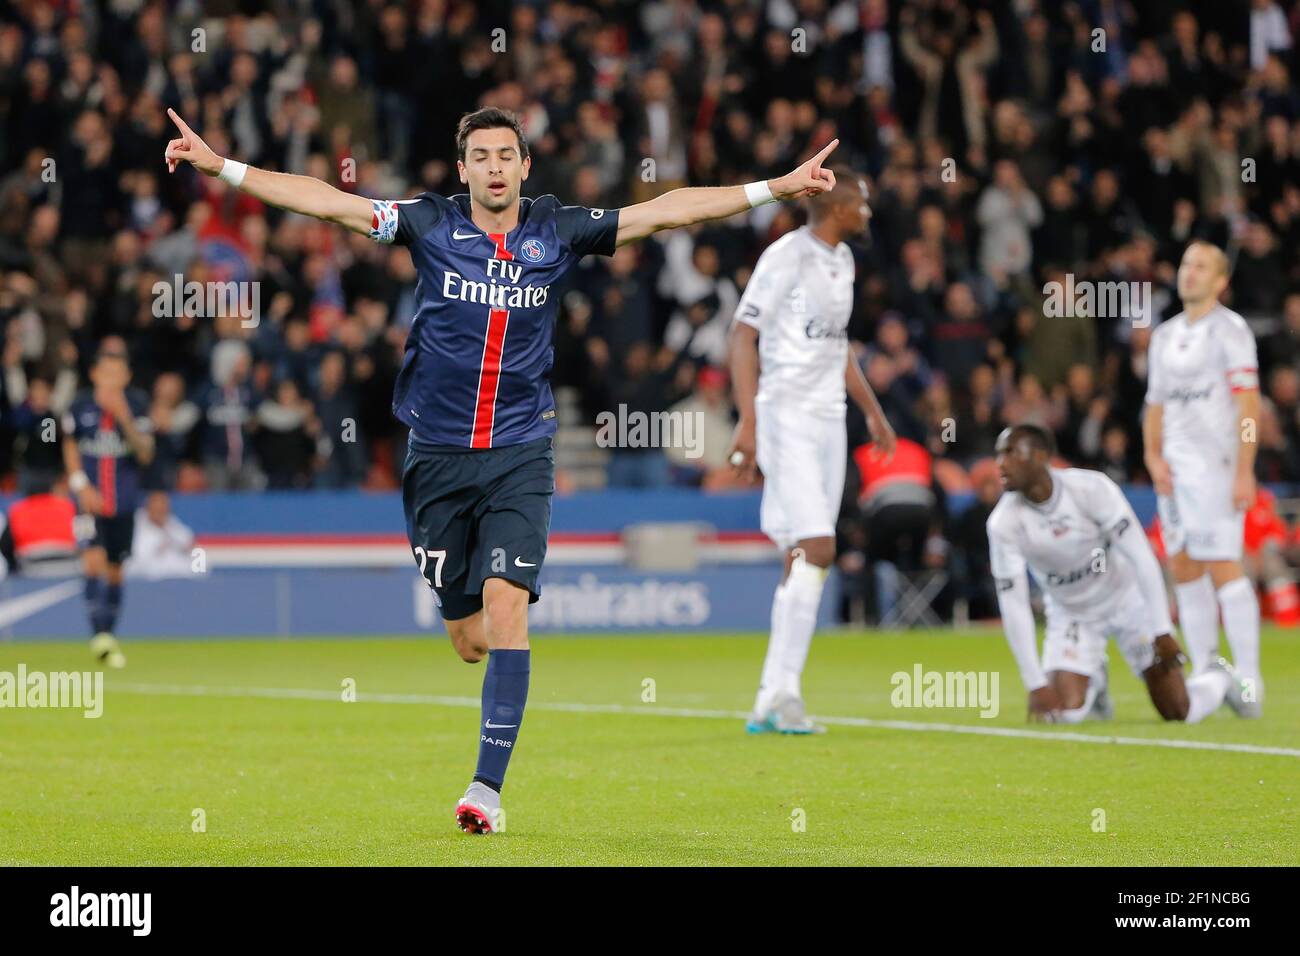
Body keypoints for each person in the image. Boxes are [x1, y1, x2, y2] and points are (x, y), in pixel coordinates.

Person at [164, 104, 843, 833]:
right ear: (463, 170)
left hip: (521, 452)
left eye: (505, 155)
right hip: (437, 460)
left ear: (525, 167)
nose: (493, 167)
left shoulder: (558, 229)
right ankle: (489, 659)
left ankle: (485, 790)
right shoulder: (428, 224)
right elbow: (328, 201)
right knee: (469, 639)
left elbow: (664, 212)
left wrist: (775, 187)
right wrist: (223, 168)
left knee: (508, 604)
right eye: (480, 156)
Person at [727, 169, 896, 734]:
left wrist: (871, 410)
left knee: (800, 557)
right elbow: (741, 334)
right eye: (863, 203)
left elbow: (837, 344)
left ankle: (769, 700)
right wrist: (748, 423)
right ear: (838, 206)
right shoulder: (785, 256)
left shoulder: (842, 262)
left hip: (830, 422)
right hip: (786, 415)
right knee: (819, 547)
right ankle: (785, 695)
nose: (868, 212)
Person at [988, 425, 1250, 724]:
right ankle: (1094, 682)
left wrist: (1162, 629)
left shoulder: (1091, 490)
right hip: (1073, 613)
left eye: (1010, 453)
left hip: (1128, 602)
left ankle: (1218, 678)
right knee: (1057, 715)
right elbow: (1014, 603)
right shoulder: (1003, 524)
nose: (1000, 463)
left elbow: (1141, 556)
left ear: (1040, 456)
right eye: (999, 454)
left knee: (1179, 711)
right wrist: (1035, 683)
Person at [1142, 241, 1264, 716]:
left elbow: (1248, 403)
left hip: (1216, 468)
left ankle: (1250, 681)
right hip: (1174, 471)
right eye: (1186, 264)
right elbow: (1155, 403)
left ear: (1220, 282)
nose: (1189, 273)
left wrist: (1244, 469)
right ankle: (1207, 669)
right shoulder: (1165, 336)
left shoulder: (1230, 332)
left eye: (1201, 267)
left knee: (1223, 564)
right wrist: (1153, 457)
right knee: (1184, 567)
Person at [61, 344, 155, 668]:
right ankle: (99, 635)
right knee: (92, 560)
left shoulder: (138, 406)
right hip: (88, 503)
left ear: (127, 376)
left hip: (124, 503)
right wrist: (80, 485)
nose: (112, 380)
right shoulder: (79, 406)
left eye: (118, 374)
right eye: (106, 373)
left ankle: (108, 636)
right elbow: (70, 446)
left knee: (115, 570)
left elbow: (145, 453)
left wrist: (124, 416)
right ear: (94, 374)